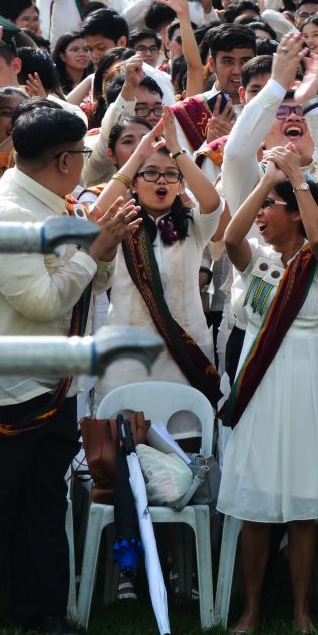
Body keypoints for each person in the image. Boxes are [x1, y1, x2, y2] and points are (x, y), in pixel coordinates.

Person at [0, 99, 139, 635]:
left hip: (49, 375)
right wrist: (93, 249)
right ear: (65, 160)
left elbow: (87, 285)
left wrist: (98, 251)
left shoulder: (55, 202)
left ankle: (41, 611)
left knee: (45, 499)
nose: (84, 161)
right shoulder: (8, 214)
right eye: (81, 151)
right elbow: (40, 300)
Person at [217, 144, 318, 634]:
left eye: (269, 209)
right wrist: (265, 181)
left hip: (310, 369)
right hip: (261, 373)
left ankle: (303, 610)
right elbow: (230, 235)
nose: (260, 216)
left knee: (304, 500)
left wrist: (298, 179)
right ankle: (252, 609)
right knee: (257, 501)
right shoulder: (255, 259)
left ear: (296, 214)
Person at [93, 110, 223, 424]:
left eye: (170, 174)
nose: (161, 180)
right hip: (126, 355)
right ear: (134, 183)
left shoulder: (193, 226)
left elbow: (212, 203)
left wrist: (178, 151)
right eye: (150, 173)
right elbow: (96, 212)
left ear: (180, 183)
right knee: (124, 453)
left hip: (184, 351)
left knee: (189, 449)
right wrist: (138, 155)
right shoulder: (119, 224)